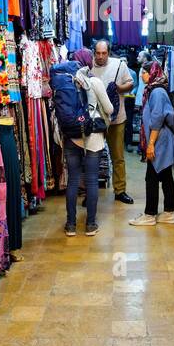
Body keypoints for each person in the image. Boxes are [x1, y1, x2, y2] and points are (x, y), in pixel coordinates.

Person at [61, 47, 114, 238]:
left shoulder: (66, 82)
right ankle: (90, 224)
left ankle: (71, 225)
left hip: (72, 136)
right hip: (92, 137)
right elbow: (109, 108)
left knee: (73, 180)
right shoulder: (94, 81)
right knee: (92, 180)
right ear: (88, 60)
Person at [130, 60, 174, 226]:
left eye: (144, 72)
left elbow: (157, 120)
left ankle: (150, 214)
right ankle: (169, 212)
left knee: (152, 177)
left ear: (152, 73)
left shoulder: (157, 92)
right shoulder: (154, 90)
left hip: (159, 140)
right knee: (165, 175)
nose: (142, 74)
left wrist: (150, 144)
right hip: (161, 139)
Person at [92, 38, 135, 204]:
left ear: (108, 53)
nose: (101, 56)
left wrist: (118, 88)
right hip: (95, 119)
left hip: (117, 119)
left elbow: (130, 83)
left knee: (118, 156)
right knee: (93, 157)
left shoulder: (119, 65)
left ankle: (120, 190)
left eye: (104, 53)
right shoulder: (89, 66)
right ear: (94, 53)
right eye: (98, 53)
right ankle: (91, 191)